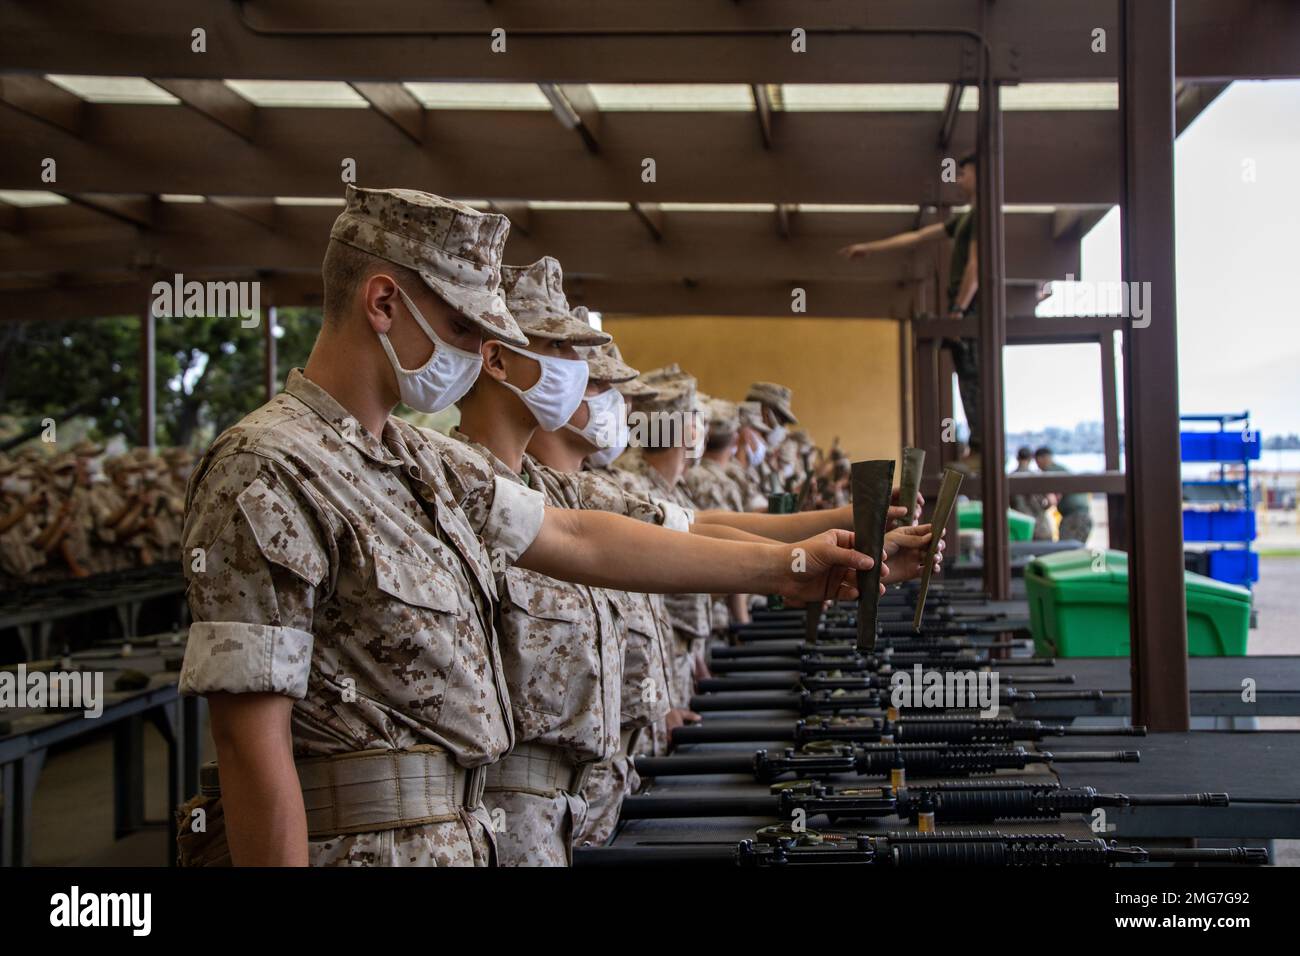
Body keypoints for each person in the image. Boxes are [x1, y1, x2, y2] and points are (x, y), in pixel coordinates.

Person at [175, 186, 890, 867]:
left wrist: (790, 567)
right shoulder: (268, 465)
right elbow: (248, 746)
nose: (473, 354)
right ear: (384, 302)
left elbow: (576, 538)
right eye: (460, 327)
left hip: (469, 835)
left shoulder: (426, 463)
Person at [839, 153, 981, 463]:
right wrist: (870, 248)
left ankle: (981, 447)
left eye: (965, 174)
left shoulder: (982, 216)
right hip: (965, 309)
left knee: (973, 375)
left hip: (970, 311)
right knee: (967, 375)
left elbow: (976, 266)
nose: (959, 180)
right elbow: (919, 236)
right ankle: (978, 446)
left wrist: (959, 309)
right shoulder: (966, 218)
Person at [1035, 446, 1092, 545]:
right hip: (1084, 516)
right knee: (1075, 550)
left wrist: (1040, 509)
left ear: (1042, 459)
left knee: (1065, 550)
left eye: (1037, 462)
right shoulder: (1061, 469)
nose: (1038, 466)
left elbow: (1052, 499)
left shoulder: (1050, 472)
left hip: (1073, 517)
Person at [1010, 445, 1054, 541]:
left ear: (1017, 458)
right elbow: (1051, 501)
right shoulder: (1037, 477)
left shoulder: (1010, 478)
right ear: (1031, 459)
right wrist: (1041, 509)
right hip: (1040, 527)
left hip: (1021, 527)